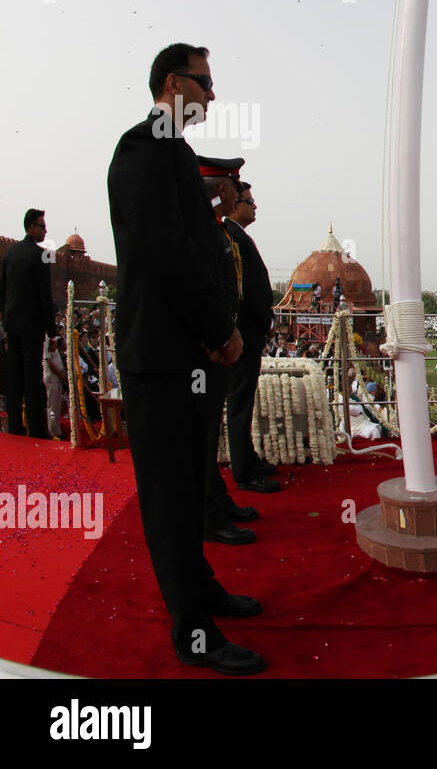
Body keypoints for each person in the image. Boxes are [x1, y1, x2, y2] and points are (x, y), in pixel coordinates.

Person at [107, 43, 265, 675]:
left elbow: (196, 250)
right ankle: (192, 633)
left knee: (189, 480)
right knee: (171, 498)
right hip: (166, 355)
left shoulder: (173, 154)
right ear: (172, 82)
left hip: (188, 353)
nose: (211, 94)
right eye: (203, 82)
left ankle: (200, 590)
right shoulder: (142, 150)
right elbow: (164, 255)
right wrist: (218, 329)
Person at [197, 156, 269, 545]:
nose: (251, 205)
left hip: (230, 336)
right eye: (244, 197)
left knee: (217, 420)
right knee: (214, 422)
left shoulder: (224, 233)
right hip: (219, 341)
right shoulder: (212, 232)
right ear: (223, 192)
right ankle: (212, 507)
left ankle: (218, 498)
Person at [224, 182, 280, 490]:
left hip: (251, 328)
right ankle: (244, 470)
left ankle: (247, 457)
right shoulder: (231, 238)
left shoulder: (237, 237)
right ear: (235, 204)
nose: (254, 206)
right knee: (240, 400)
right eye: (249, 201)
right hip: (245, 329)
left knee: (244, 398)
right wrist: (265, 319)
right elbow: (244, 292)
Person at [0, 209, 58, 437]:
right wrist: (52, 334)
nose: (45, 231)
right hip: (31, 328)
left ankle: (15, 426)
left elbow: (2, 290)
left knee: (14, 378)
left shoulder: (11, 253)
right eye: (42, 226)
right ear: (31, 227)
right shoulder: (41, 255)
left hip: (12, 326)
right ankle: (36, 430)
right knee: (33, 379)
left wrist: (6, 317)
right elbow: (45, 298)